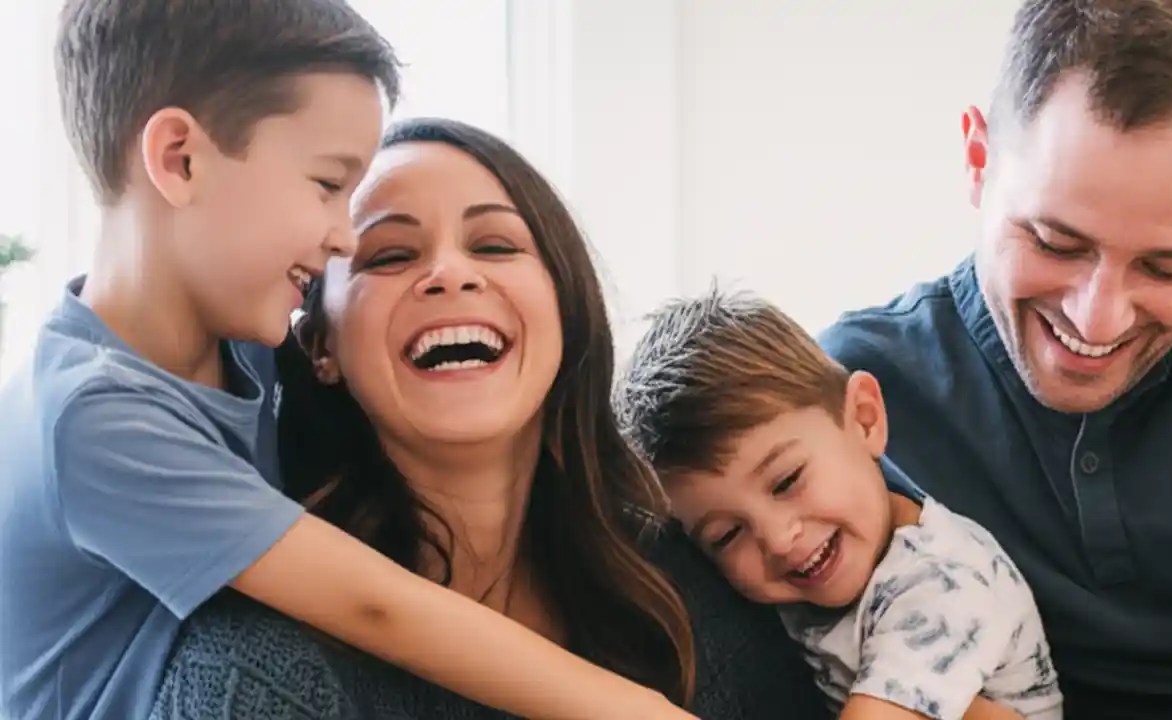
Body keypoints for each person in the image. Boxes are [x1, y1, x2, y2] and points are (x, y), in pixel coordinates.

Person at [0, 3, 706, 719]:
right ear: (180, 159)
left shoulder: (240, 341)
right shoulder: (93, 420)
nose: (342, 236)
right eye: (329, 185)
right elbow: (379, 609)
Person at [148, 117, 826, 719]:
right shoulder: (256, 669)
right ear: (321, 347)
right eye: (390, 255)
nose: (449, 273)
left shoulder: (703, 585)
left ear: (564, 306)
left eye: (496, 246)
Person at [817, 1, 1172, 718]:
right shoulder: (854, 398)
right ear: (979, 157)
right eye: (1056, 243)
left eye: (1164, 267)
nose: (1098, 318)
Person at [614, 288, 1063, 720]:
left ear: (865, 419)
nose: (778, 538)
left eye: (787, 481)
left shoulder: (946, 584)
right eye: (727, 535)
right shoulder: (798, 586)